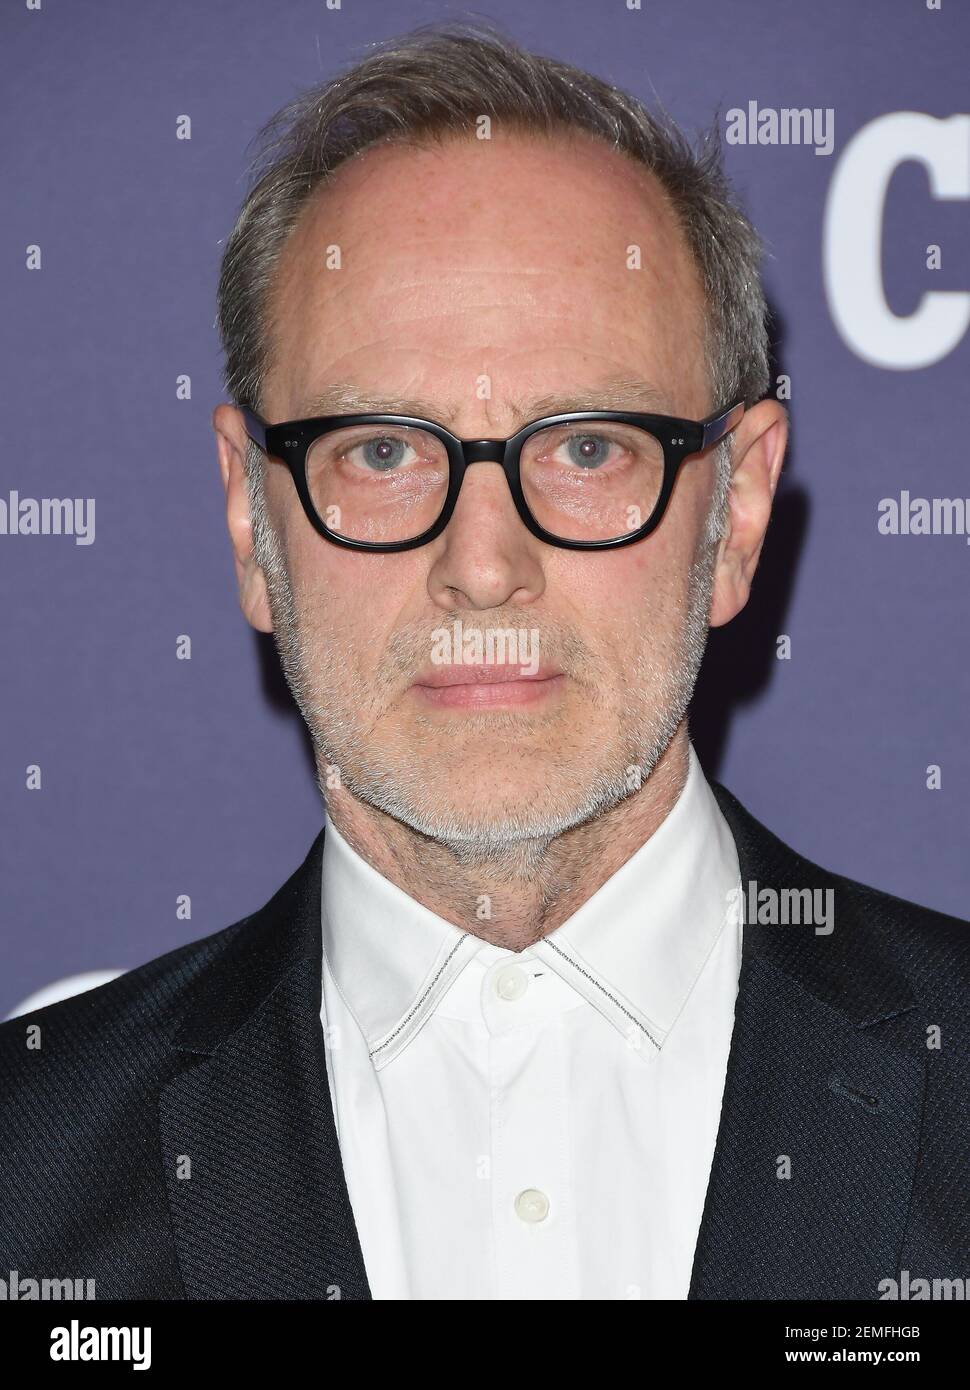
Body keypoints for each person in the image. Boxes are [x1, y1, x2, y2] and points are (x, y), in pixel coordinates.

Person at [2, 23, 966, 1302]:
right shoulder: (28, 1167)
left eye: (584, 447)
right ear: (251, 521)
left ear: (734, 513)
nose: (483, 564)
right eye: (383, 451)